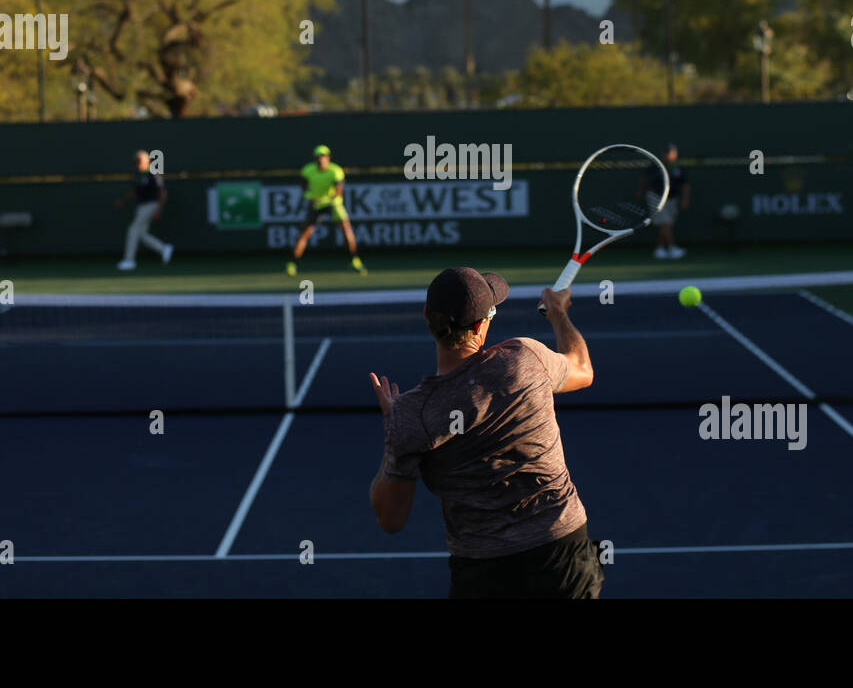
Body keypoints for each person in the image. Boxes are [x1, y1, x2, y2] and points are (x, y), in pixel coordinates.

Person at [368, 268, 603, 598]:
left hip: (483, 574)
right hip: (562, 555)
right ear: (481, 325)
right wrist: (558, 314)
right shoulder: (526, 358)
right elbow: (583, 369)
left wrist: (395, 430)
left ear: (427, 316)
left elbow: (390, 520)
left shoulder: (412, 414)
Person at [286, 145, 365, 276]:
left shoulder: (336, 171)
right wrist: (309, 197)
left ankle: (355, 260)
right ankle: (293, 263)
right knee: (305, 232)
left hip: (334, 204)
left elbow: (339, 192)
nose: (321, 159)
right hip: (315, 205)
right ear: (315, 158)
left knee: (346, 229)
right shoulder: (308, 170)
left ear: (328, 158)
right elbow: (303, 185)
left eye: (323, 156)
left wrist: (323, 200)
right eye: (318, 157)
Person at [115, 150, 173, 271]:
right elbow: (134, 192)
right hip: (141, 207)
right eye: (135, 161)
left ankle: (129, 260)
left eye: (139, 161)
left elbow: (162, 193)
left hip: (152, 205)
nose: (137, 164)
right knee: (141, 234)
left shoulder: (154, 173)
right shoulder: (139, 175)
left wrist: (159, 209)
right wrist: (123, 200)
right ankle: (163, 249)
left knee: (133, 229)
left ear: (147, 161)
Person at [642, 142, 690, 259]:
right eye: (668, 153)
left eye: (672, 153)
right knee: (665, 222)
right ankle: (672, 248)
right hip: (655, 197)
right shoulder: (656, 166)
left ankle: (659, 249)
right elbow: (645, 180)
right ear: (663, 154)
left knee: (666, 224)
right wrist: (639, 192)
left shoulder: (679, 168)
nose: (670, 155)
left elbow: (685, 185)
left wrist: (685, 199)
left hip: (672, 199)